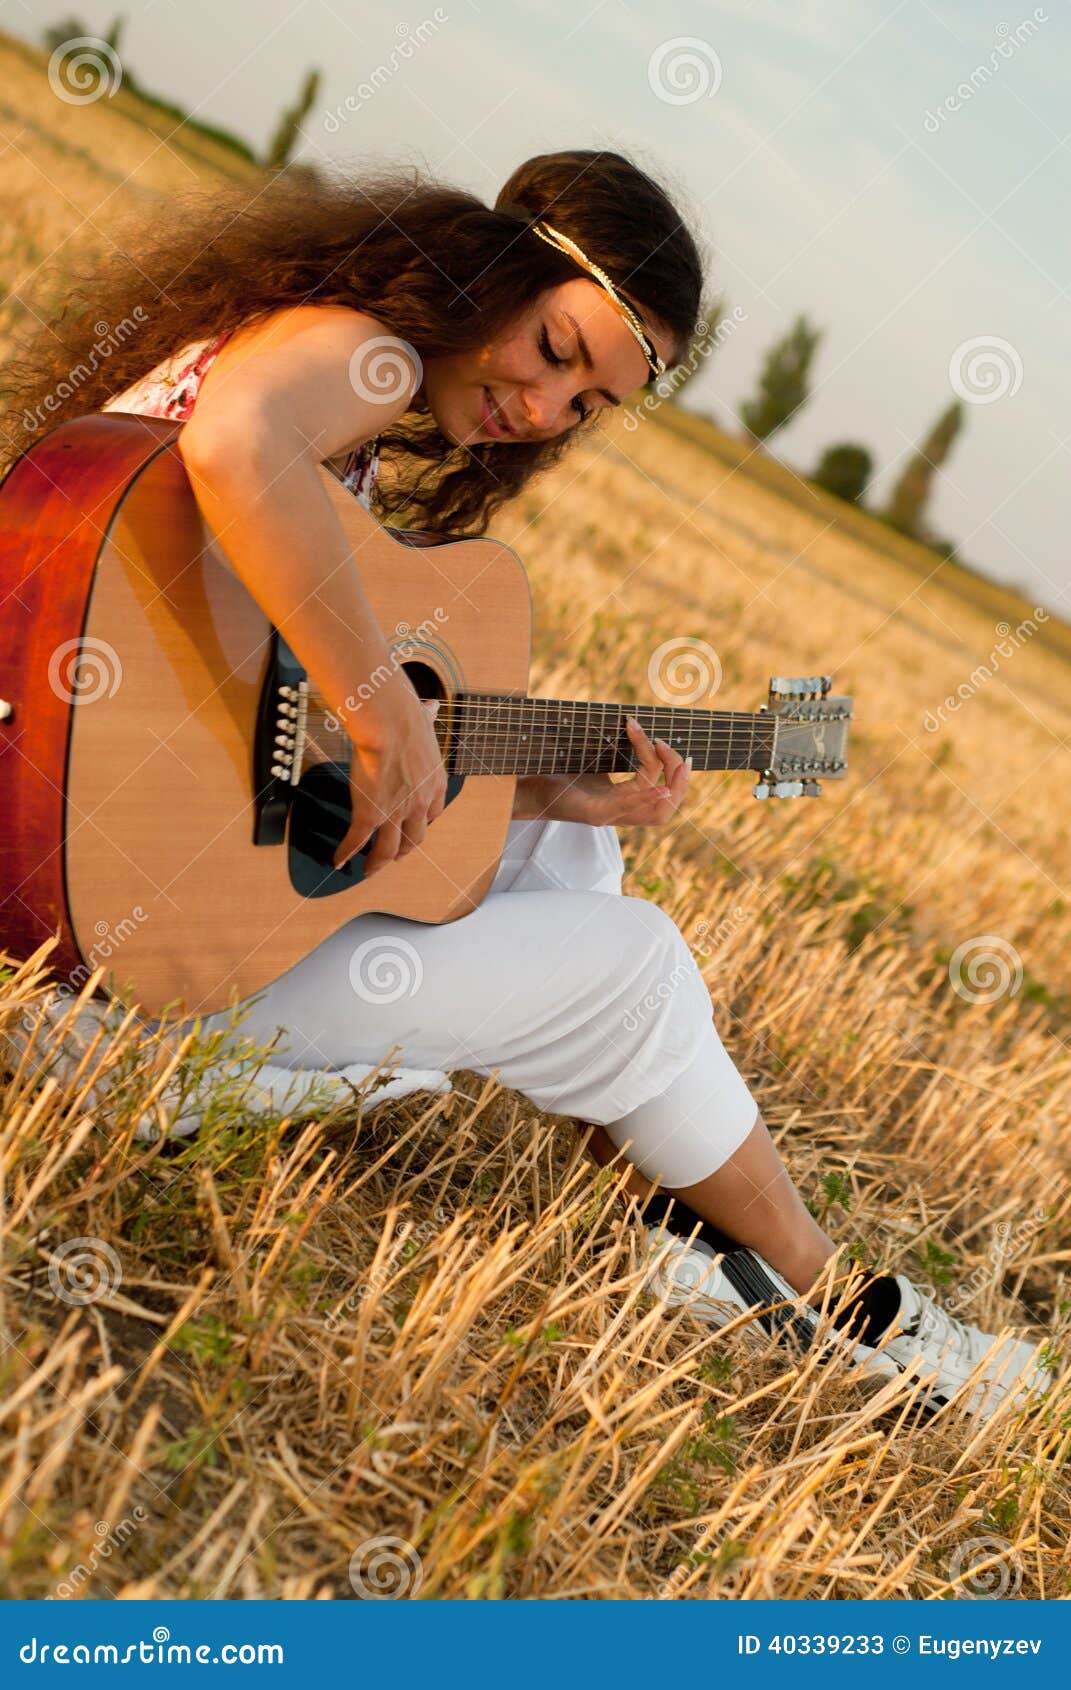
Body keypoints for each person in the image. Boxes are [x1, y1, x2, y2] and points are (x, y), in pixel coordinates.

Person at [10, 149, 1047, 1421]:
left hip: (85, 884)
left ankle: (688, 1228)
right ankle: (832, 1301)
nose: (547, 408)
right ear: (489, 266)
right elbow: (235, 442)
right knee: (635, 965)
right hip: (100, 983)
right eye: (557, 348)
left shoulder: (323, 379)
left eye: (589, 402)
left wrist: (545, 792)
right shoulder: (355, 351)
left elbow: (242, 739)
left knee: (570, 855)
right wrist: (380, 700)